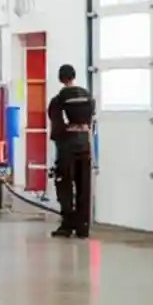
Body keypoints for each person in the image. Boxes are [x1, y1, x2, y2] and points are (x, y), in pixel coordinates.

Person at [47, 64, 95, 238]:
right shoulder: (88, 96)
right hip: (84, 145)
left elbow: (56, 123)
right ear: (74, 76)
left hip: (67, 146)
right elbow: (91, 120)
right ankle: (83, 227)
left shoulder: (59, 99)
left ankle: (67, 224)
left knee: (64, 184)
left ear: (61, 78)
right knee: (84, 185)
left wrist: (60, 139)